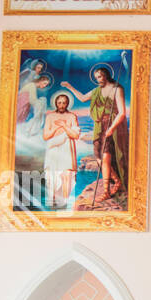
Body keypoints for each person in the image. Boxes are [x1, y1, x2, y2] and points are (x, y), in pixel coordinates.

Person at [60, 63, 128, 203]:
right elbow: (83, 98)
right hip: (99, 126)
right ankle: (116, 181)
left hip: (111, 124)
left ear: (106, 75)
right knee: (98, 157)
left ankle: (106, 192)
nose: (99, 79)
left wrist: (112, 128)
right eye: (97, 77)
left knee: (106, 155)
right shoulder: (97, 90)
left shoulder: (117, 89)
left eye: (101, 76)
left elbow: (122, 113)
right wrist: (69, 87)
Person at [42, 92, 81, 207]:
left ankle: (65, 201)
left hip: (67, 148)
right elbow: (46, 136)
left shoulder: (72, 116)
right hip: (53, 148)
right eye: (59, 103)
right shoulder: (50, 117)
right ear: (56, 103)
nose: (62, 105)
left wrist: (64, 126)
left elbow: (75, 135)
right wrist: (57, 127)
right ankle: (53, 201)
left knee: (66, 175)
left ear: (67, 104)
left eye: (64, 103)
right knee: (53, 175)